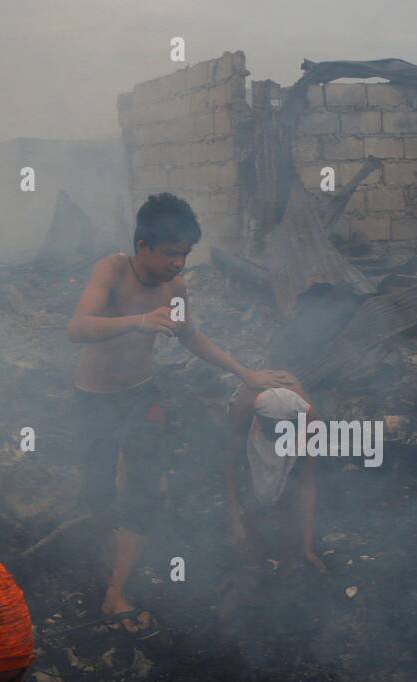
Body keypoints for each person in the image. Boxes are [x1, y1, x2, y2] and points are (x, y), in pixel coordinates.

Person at [68, 193, 294, 636]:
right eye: (171, 253)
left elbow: (191, 336)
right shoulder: (111, 271)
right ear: (143, 246)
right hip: (93, 399)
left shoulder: (175, 289)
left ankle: (116, 592)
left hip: (141, 396)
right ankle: (102, 555)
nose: (178, 263)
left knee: (143, 488)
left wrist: (245, 372)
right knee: (96, 491)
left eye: (185, 254)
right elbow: (77, 328)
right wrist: (138, 321)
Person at [223, 377, 326, 574]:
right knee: (246, 537)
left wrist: (307, 547)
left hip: (294, 444)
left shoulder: (311, 422)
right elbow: (230, 468)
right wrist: (235, 521)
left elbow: (307, 483)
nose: (276, 436)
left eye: (282, 433)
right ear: (258, 419)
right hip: (251, 440)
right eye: (271, 430)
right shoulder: (242, 413)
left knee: (288, 525)